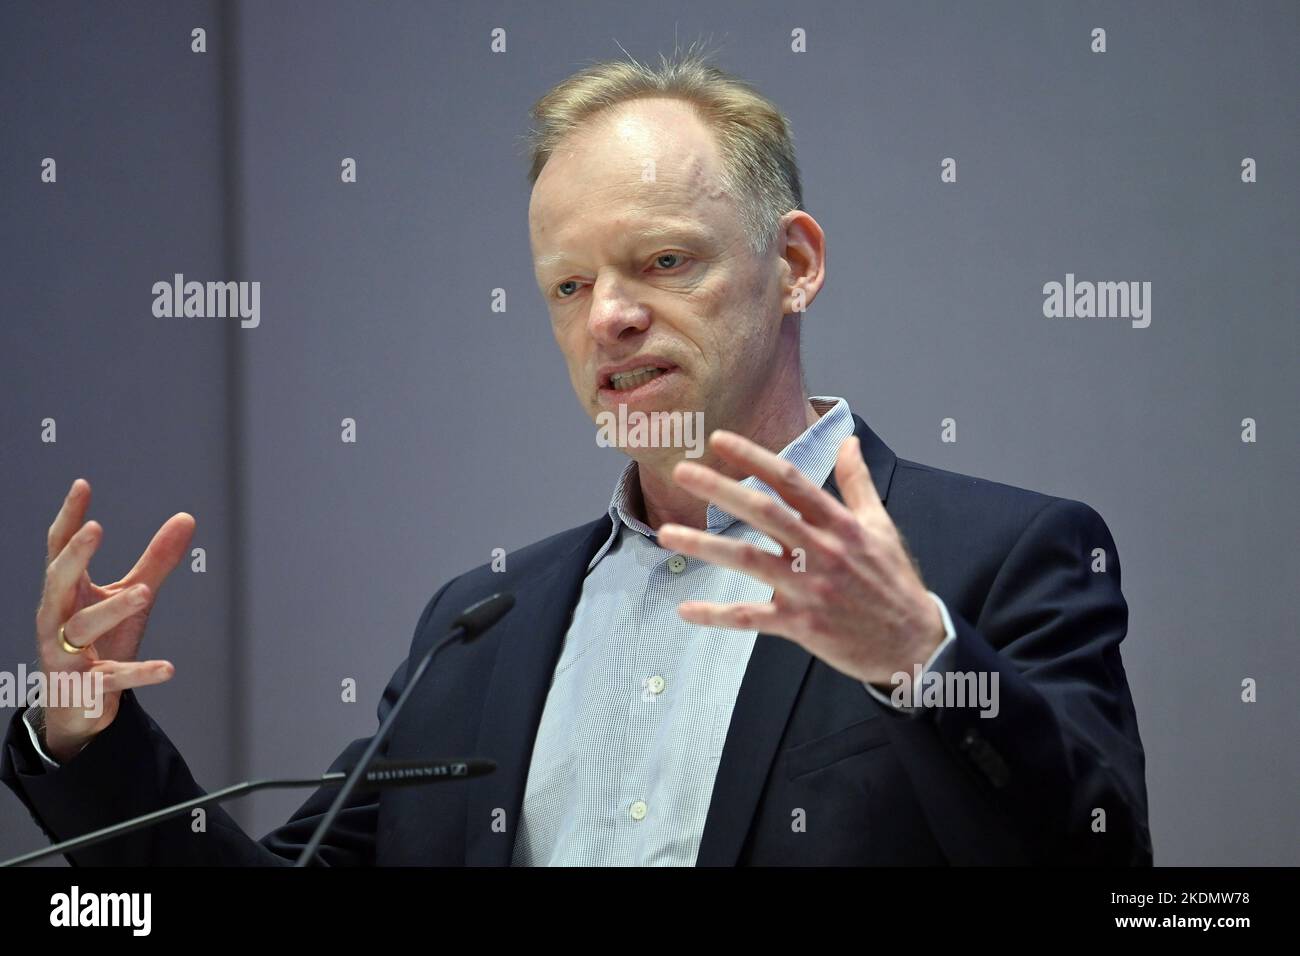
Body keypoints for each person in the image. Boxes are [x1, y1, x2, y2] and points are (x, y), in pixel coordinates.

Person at [2, 50, 1151, 865]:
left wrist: (918, 660)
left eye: (660, 261)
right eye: (568, 284)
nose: (608, 316)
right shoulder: (481, 624)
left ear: (794, 261)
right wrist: (82, 737)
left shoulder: (997, 555)